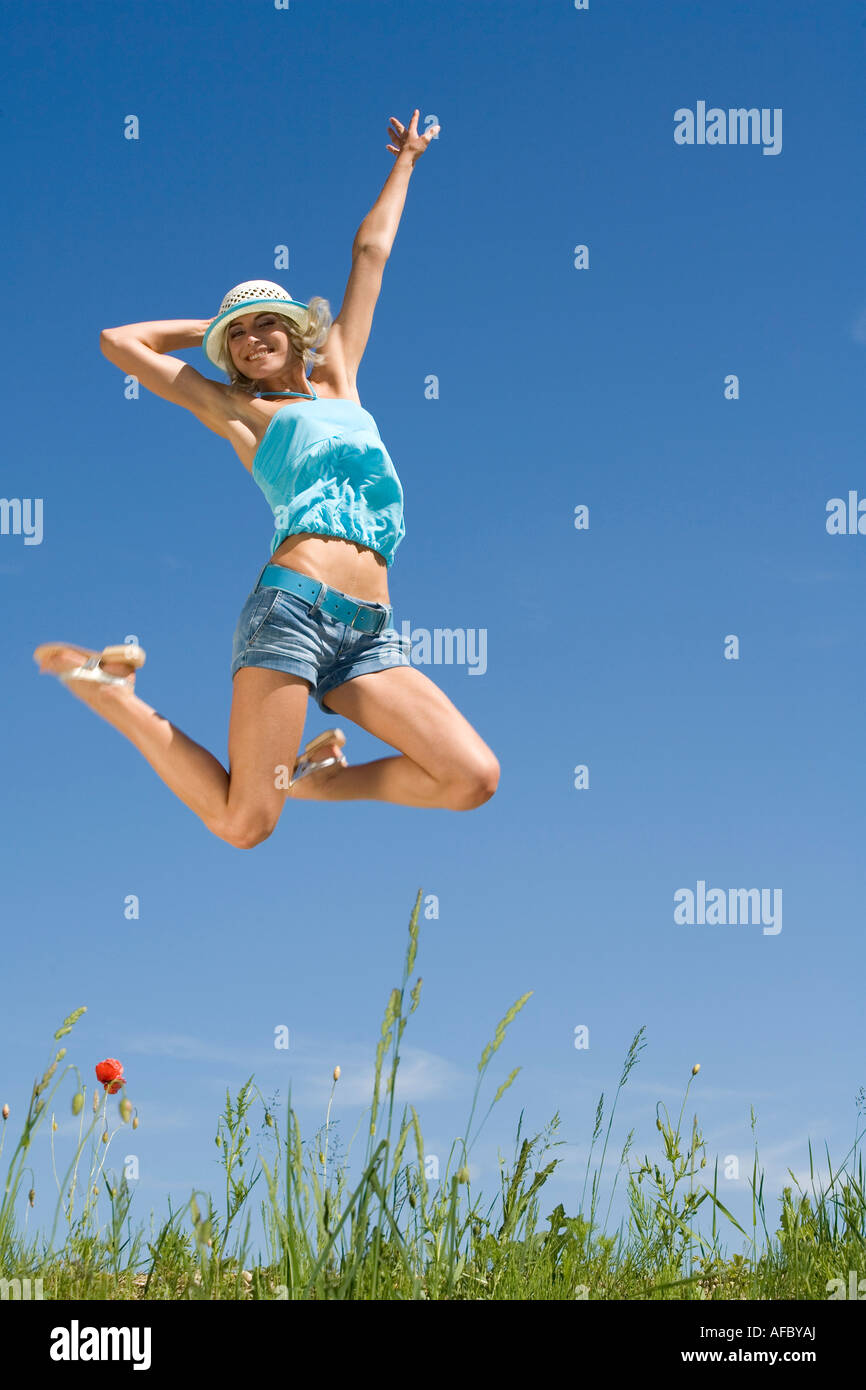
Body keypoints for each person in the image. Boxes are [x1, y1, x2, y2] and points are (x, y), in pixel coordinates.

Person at [34, 110, 500, 848]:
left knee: (471, 777)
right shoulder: (235, 410)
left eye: (266, 326)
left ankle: (315, 782)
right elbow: (119, 342)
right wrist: (219, 320)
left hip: (370, 638)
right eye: (238, 337)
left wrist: (407, 160)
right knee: (244, 823)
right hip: (292, 610)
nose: (251, 341)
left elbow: (370, 253)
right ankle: (115, 694)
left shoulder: (340, 375)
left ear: (299, 332)